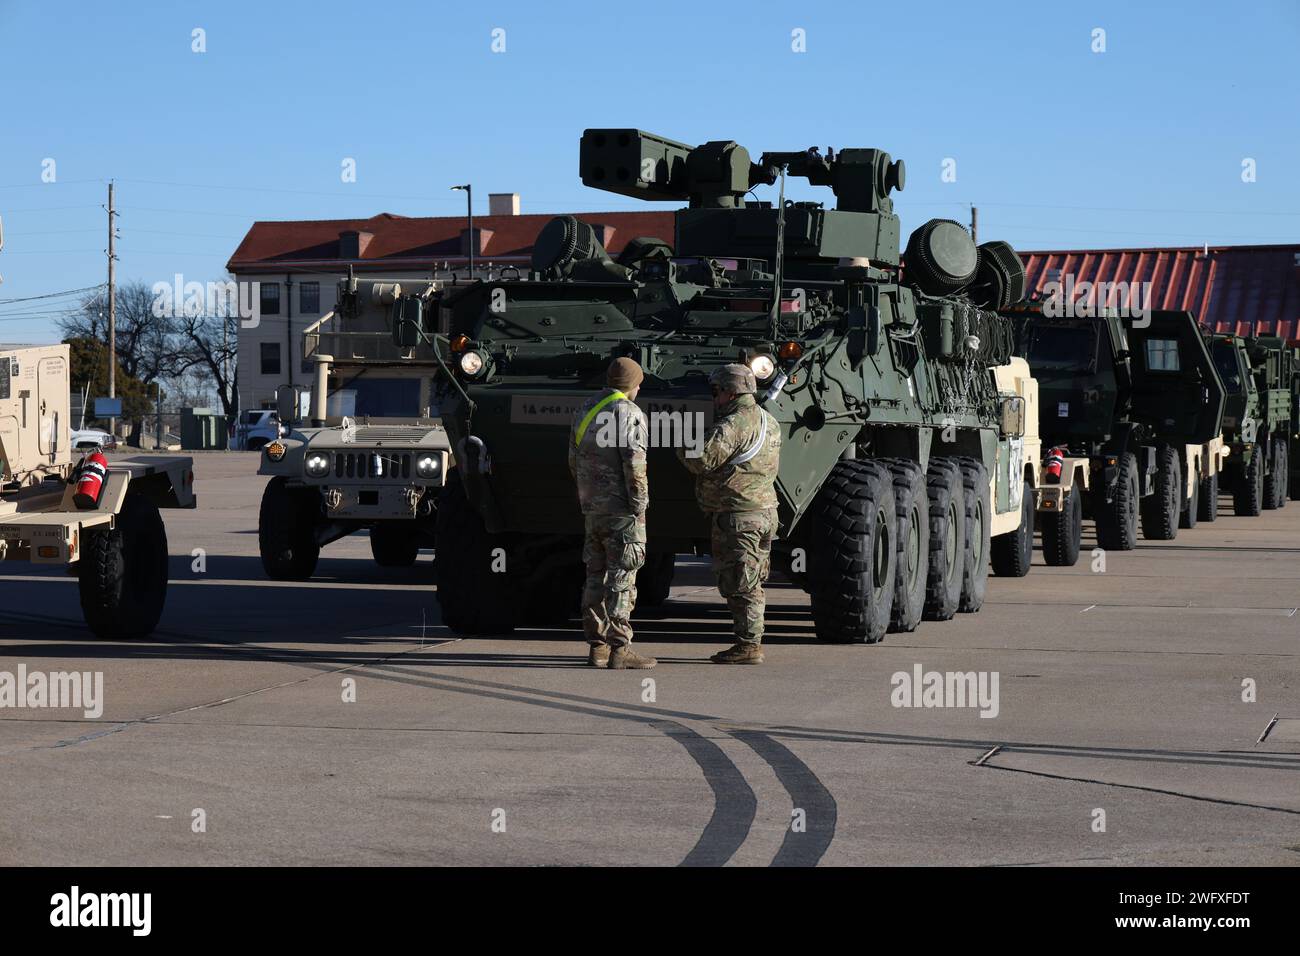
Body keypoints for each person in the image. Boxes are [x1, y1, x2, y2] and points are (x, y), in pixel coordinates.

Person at [677, 364, 782, 664]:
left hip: (739, 516)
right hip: (763, 512)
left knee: (741, 582)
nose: (714, 399)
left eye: (716, 392)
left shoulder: (733, 424)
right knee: (751, 579)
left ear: (730, 392)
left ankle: (749, 645)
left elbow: (701, 459)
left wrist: (681, 441)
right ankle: (748, 641)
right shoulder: (769, 420)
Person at [567, 357, 657, 669]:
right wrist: (640, 504)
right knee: (622, 578)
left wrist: (588, 495)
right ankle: (621, 649)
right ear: (635, 385)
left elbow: (572, 458)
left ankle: (597, 647)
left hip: (593, 508)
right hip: (622, 510)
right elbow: (635, 465)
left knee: (595, 575)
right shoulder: (629, 413)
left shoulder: (586, 408)